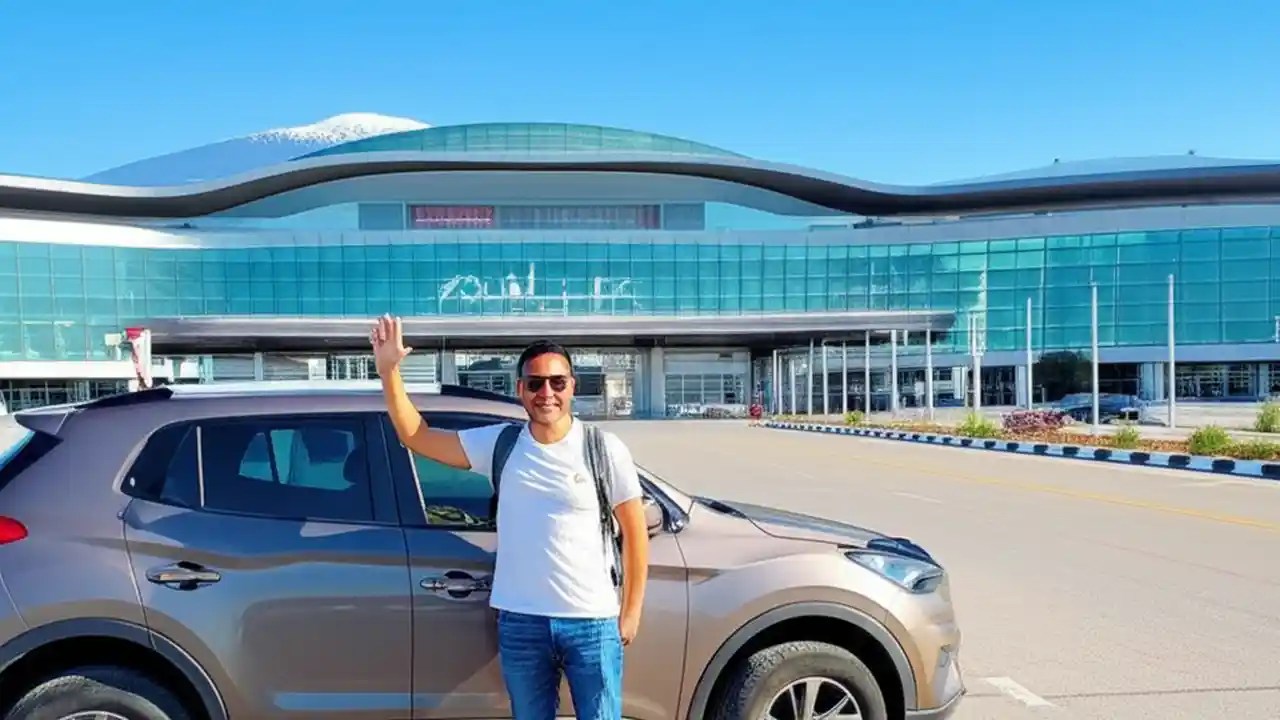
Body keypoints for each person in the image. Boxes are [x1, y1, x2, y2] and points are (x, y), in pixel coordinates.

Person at [369, 315, 649, 720]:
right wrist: (389, 371)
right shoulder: (500, 444)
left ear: (572, 386)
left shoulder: (604, 448)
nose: (546, 393)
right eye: (535, 383)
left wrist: (631, 611)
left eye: (557, 382)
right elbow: (416, 436)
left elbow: (635, 533)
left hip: (592, 624)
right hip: (522, 624)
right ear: (520, 389)